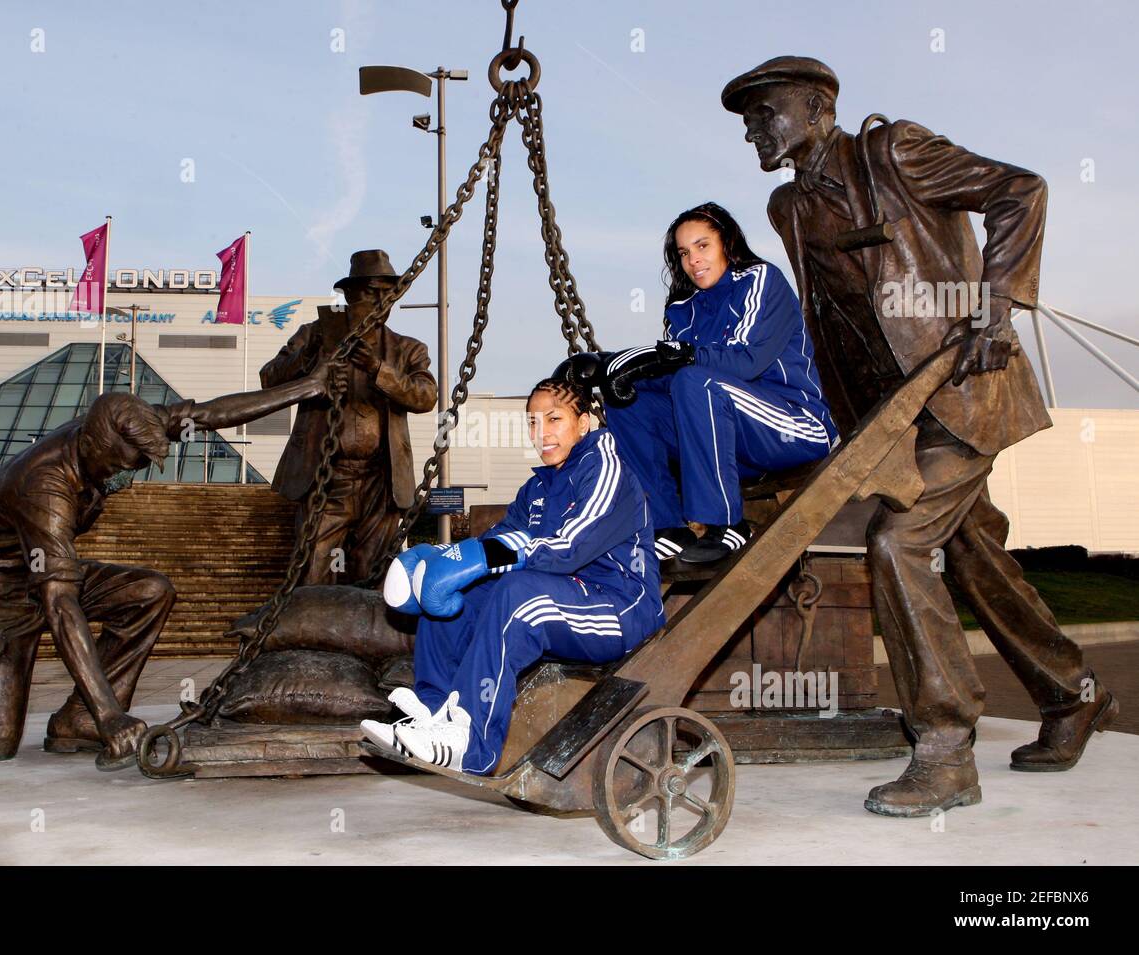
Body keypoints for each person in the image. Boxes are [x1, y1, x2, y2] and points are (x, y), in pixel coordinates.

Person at [721, 55, 1117, 815]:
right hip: (891, 416)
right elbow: (828, 322)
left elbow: (1020, 191)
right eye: (745, 123)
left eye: (764, 115)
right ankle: (1073, 694)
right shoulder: (788, 208)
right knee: (972, 556)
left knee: (898, 543)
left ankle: (943, 751)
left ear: (816, 106)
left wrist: (995, 306)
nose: (753, 133)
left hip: (963, 390)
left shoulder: (893, 151)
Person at [0, 366, 330, 771]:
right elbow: (60, 606)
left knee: (149, 591)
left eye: (140, 463)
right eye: (122, 465)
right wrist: (112, 715)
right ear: (94, 445)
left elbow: (208, 413)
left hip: (42, 574)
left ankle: (77, 721)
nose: (130, 473)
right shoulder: (45, 488)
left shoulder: (125, 424)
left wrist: (306, 387)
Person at [365, 378, 664, 775]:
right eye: (533, 422)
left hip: (618, 606)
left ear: (586, 422)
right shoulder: (538, 487)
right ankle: (434, 713)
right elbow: (499, 542)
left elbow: (568, 547)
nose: (542, 433)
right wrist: (443, 560)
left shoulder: (607, 468)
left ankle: (471, 744)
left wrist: (483, 555)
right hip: (562, 597)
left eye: (554, 419)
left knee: (518, 594)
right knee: (458, 594)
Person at [568, 202, 837, 564]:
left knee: (697, 381)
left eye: (702, 245)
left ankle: (725, 523)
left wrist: (675, 357)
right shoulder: (683, 308)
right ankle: (668, 525)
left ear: (726, 242)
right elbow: (671, 379)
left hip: (794, 426)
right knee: (626, 397)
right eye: (683, 252)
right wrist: (613, 367)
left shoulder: (760, 280)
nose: (693, 259)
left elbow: (747, 360)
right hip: (729, 445)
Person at [259, 249, 437, 585]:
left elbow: (426, 395)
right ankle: (310, 635)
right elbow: (269, 378)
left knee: (373, 576)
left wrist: (378, 369)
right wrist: (313, 359)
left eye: (389, 294)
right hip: (327, 477)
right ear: (350, 294)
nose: (382, 301)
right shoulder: (312, 335)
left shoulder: (407, 349)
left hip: (380, 481)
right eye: (373, 292)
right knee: (313, 569)